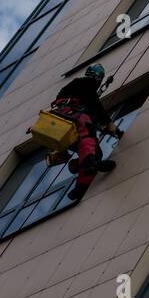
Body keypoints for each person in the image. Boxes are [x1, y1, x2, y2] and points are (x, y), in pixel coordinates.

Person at [49, 63, 122, 204]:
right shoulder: (85, 84)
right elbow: (94, 104)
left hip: (65, 126)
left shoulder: (76, 87)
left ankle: (80, 186)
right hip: (73, 118)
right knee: (88, 139)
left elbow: (88, 105)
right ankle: (85, 164)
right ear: (98, 77)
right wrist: (108, 123)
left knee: (96, 153)